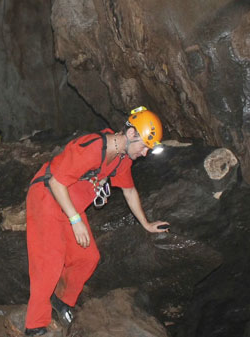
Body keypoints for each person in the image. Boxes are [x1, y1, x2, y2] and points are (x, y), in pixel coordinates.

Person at [22, 106, 170, 336]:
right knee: (49, 261)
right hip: (47, 196)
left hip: (69, 202)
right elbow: (56, 183)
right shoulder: (93, 148)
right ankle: (34, 326)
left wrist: (147, 224)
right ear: (131, 135)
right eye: (144, 146)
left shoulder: (122, 159)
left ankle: (61, 301)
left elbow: (130, 192)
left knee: (88, 257)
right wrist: (75, 220)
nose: (144, 154)